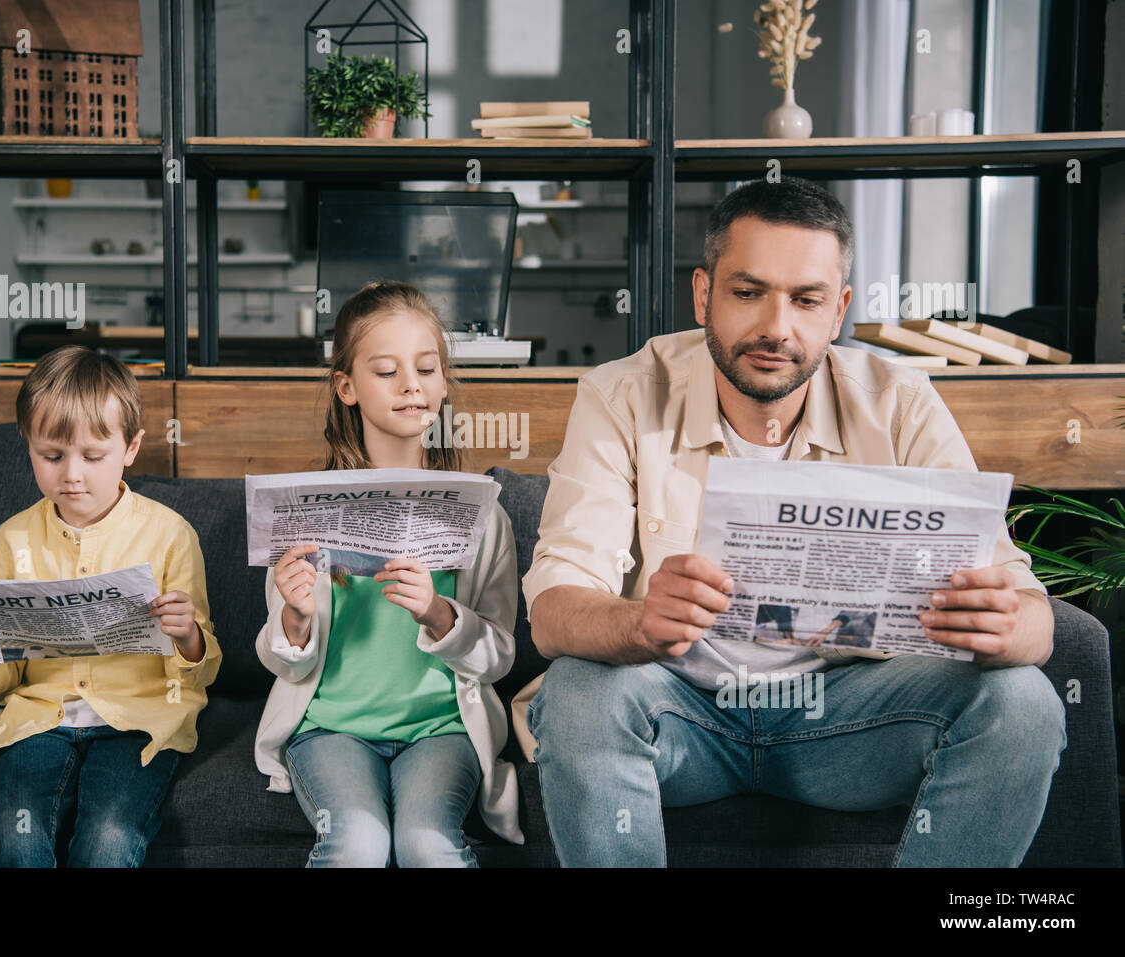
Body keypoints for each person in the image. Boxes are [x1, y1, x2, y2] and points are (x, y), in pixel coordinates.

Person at [517, 176, 1065, 867]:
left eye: (806, 300)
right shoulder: (622, 394)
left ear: (836, 310)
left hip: (847, 716)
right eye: (748, 293)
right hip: (681, 712)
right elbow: (555, 607)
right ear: (703, 294)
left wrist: (1004, 624)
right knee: (577, 689)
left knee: (1023, 700)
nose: (777, 327)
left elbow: (1033, 613)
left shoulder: (901, 400)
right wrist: (636, 624)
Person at [0, 346, 221, 867]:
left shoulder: (171, 535)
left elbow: (198, 673)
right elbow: (3, 680)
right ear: (28, 446)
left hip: (140, 720)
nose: (72, 475)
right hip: (39, 719)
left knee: (107, 839)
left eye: (93, 456)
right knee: (13, 838)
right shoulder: (11, 541)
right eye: (52, 456)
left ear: (131, 447)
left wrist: (186, 635)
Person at [253, 280, 523, 866]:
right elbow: (281, 661)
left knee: (427, 844)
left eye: (427, 368)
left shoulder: (484, 514)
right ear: (346, 387)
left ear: (444, 382)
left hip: (442, 729)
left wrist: (440, 613)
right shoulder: (306, 509)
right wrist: (295, 616)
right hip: (330, 728)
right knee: (357, 842)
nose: (411, 385)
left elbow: (500, 657)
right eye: (386, 371)